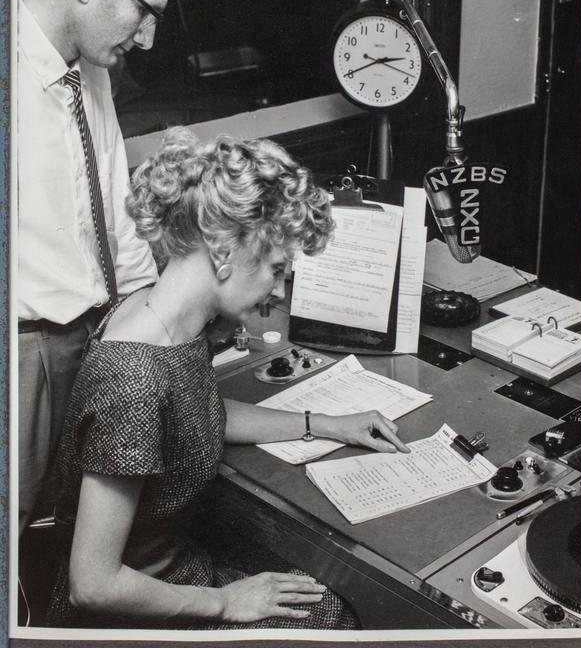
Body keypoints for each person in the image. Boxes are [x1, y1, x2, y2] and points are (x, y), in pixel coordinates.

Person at [45, 129, 409, 630]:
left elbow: (195, 412)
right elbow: (93, 585)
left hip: (174, 568)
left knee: (324, 601)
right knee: (333, 620)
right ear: (223, 251)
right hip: (134, 610)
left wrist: (326, 423)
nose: (277, 291)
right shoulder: (133, 378)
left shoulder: (160, 314)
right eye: (277, 269)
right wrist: (224, 602)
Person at [17, 0, 188, 534]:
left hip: (98, 340)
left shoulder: (91, 67)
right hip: (25, 352)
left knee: (66, 543)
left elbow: (117, 215)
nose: (146, 39)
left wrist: (159, 339)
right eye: (143, 11)